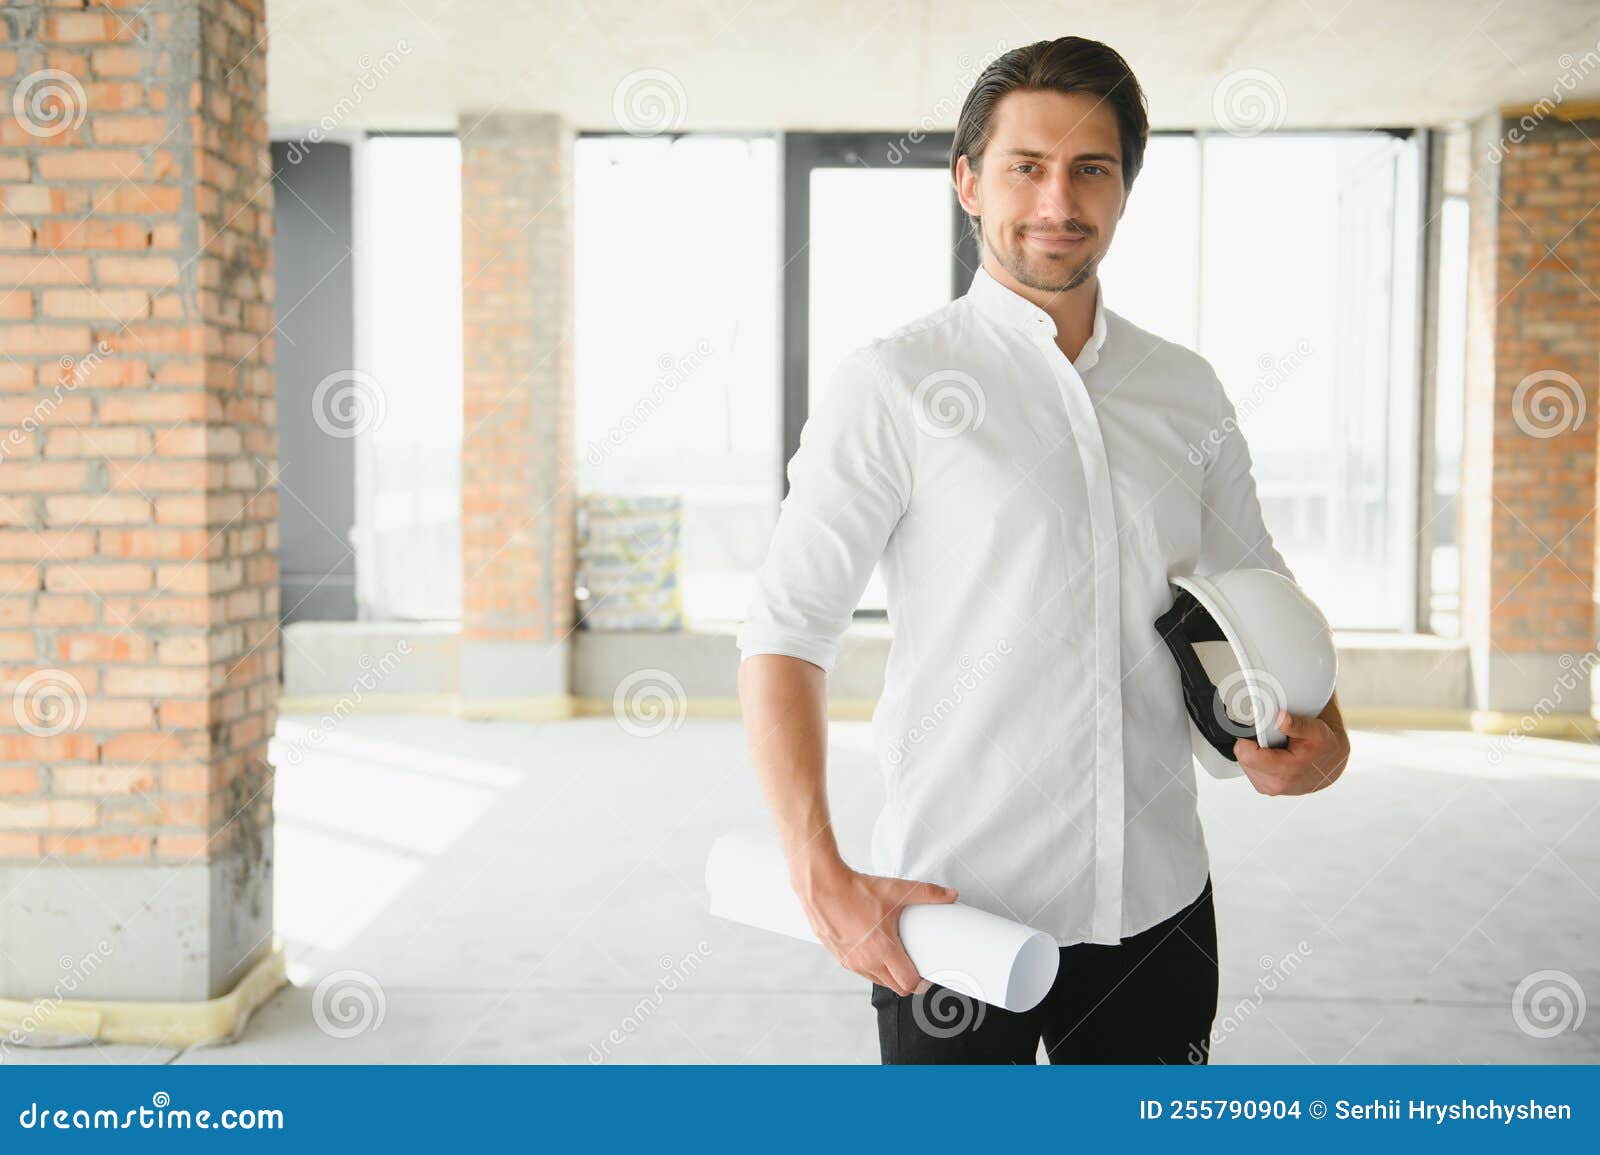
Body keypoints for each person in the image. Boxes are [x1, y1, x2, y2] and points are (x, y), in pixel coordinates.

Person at [735, 35, 1350, 1065]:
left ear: (1122, 189)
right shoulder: (893, 384)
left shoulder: (1184, 389)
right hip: (953, 908)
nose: (1057, 200)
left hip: (1156, 900)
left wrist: (1325, 728)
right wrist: (818, 869)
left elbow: (1258, 587)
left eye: (1090, 169)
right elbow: (787, 631)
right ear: (968, 182)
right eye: (1026, 166)